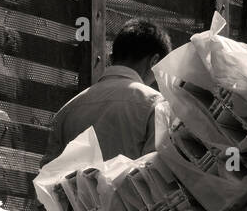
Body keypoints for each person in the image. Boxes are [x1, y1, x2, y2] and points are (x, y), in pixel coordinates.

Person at [40, 18, 172, 166]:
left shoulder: (67, 110)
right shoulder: (155, 104)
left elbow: (47, 178)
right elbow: (157, 174)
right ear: (154, 62)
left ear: (110, 58)